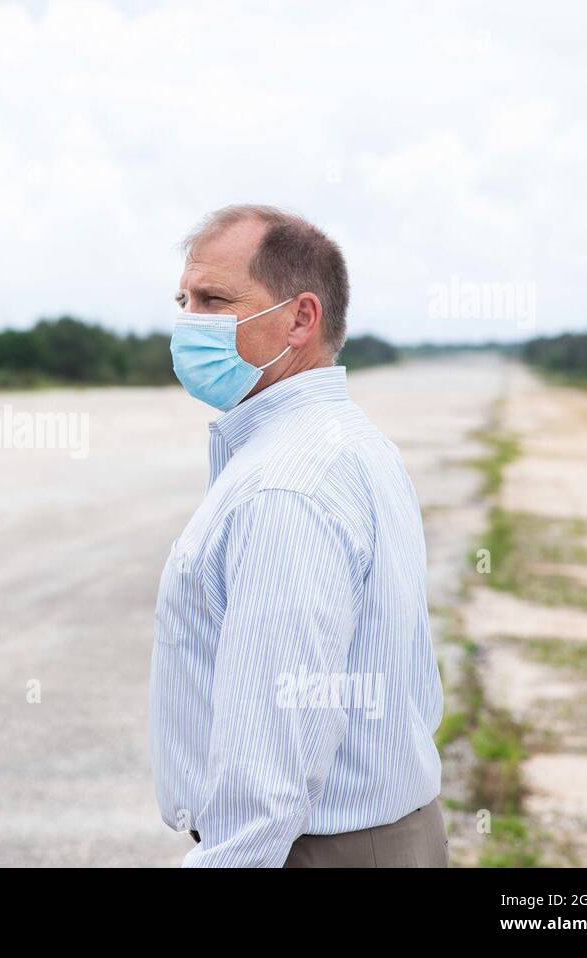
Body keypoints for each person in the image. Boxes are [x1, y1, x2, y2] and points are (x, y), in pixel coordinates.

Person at [150, 204, 446, 867]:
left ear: (300, 319)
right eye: (184, 301)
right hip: (387, 835)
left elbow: (269, 765)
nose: (188, 322)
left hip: (311, 851)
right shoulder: (349, 444)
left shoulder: (285, 486)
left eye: (213, 299)